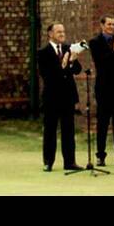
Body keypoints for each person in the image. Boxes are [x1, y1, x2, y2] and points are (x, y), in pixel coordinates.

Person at [37, 22, 82, 171]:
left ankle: (70, 161)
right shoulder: (43, 52)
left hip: (67, 96)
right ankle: (48, 161)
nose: (62, 34)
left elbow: (77, 70)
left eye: (63, 31)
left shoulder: (68, 48)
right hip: (52, 96)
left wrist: (72, 61)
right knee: (50, 129)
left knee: (68, 130)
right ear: (50, 34)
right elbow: (46, 74)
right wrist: (62, 66)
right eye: (58, 32)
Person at [88, 16, 114, 166]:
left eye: (113, 24)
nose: (111, 27)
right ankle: (100, 155)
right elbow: (102, 61)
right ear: (102, 25)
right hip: (104, 88)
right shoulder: (95, 42)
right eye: (109, 24)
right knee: (103, 123)